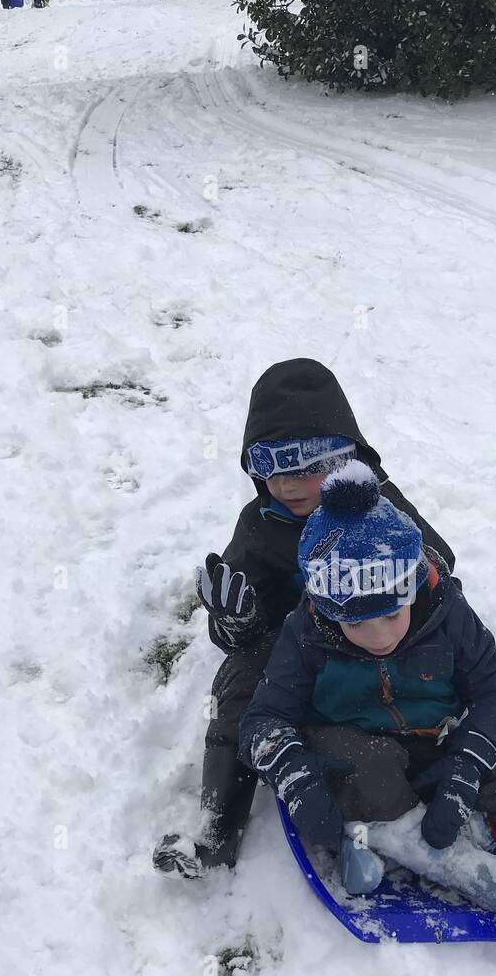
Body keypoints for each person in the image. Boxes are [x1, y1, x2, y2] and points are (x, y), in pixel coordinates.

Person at [239, 464, 496, 906]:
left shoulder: (447, 613)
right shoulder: (306, 633)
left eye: (393, 614)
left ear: (413, 587)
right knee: (362, 769)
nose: (380, 637)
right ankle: (424, 850)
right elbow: (264, 719)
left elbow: (494, 693)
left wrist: (465, 769)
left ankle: (429, 837)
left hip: (439, 746)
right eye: (356, 623)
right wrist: (295, 776)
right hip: (363, 752)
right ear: (325, 606)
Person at [152, 359, 456, 879]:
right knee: (241, 683)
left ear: (347, 459)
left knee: (475, 679)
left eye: (309, 463)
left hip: (387, 639)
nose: (289, 482)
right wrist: (237, 621)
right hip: (303, 656)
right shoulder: (260, 527)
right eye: (271, 463)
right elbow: (240, 631)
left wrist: (413, 572)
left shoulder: (379, 507)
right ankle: (217, 830)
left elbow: (440, 565)